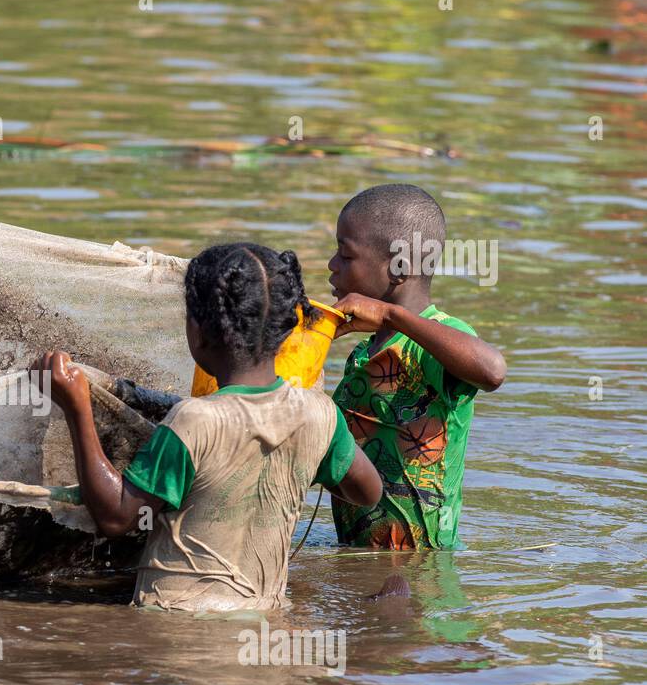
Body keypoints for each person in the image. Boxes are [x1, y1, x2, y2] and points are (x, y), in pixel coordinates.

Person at [30, 243, 383, 613]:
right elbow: (367, 493)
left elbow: (116, 517)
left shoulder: (193, 420)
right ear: (287, 331)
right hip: (265, 622)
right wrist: (299, 462)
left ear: (198, 332)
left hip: (176, 628)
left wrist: (76, 406)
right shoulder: (320, 416)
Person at [327, 184, 507, 549]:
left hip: (421, 565)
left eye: (345, 255)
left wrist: (392, 316)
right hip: (358, 552)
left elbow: (492, 371)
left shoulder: (439, 339)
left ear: (398, 268)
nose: (331, 265)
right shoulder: (364, 352)